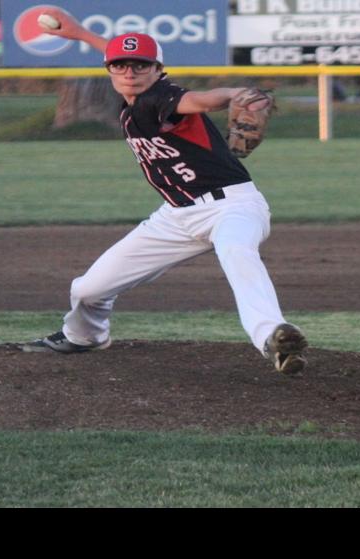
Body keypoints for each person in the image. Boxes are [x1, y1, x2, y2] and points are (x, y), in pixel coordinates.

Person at [19, 25, 308, 376]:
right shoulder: (131, 97)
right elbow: (116, 53)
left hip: (233, 207)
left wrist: (236, 92)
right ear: (109, 69)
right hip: (174, 217)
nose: (129, 73)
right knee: (88, 288)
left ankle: (273, 339)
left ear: (158, 70)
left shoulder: (161, 97)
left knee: (237, 254)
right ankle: (84, 336)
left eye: (140, 65)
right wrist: (79, 33)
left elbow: (199, 100)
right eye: (120, 65)